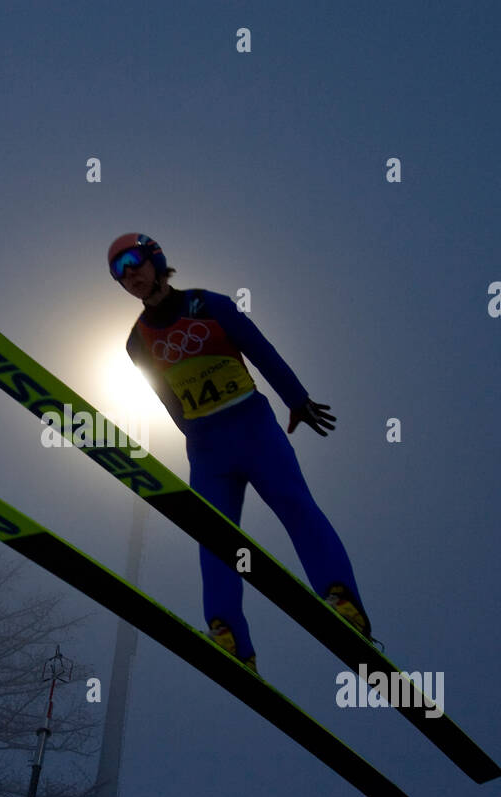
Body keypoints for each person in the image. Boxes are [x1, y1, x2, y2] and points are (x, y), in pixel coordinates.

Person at [108, 232, 372, 674]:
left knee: (296, 507)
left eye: (134, 261)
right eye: (119, 271)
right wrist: (193, 438)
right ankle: (229, 637)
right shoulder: (137, 342)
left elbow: (259, 349)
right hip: (208, 451)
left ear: (157, 259)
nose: (129, 274)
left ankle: (343, 602)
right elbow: (167, 398)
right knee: (214, 539)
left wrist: (297, 399)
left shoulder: (210, 304)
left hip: (253, 428)